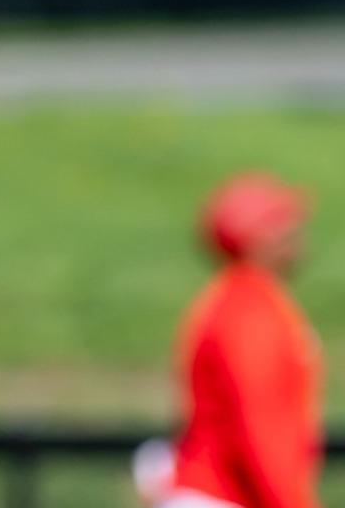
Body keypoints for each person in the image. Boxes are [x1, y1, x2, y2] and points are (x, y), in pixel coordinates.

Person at [138, 173, 323, 508]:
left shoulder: (239, 299)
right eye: (284, 222)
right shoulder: (248, 311)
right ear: (261, 237)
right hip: (224, 497)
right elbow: (259, 422)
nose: (297, 232)